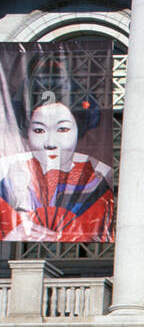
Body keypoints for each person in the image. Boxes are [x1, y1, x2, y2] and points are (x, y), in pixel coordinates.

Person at [0, 89, 115, 242]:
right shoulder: (9, 181)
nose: (50, 143)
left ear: (78, 131)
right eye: (39, 130)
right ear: (27, 133)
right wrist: (11, 234)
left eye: (63, 129)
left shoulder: (95, 185)